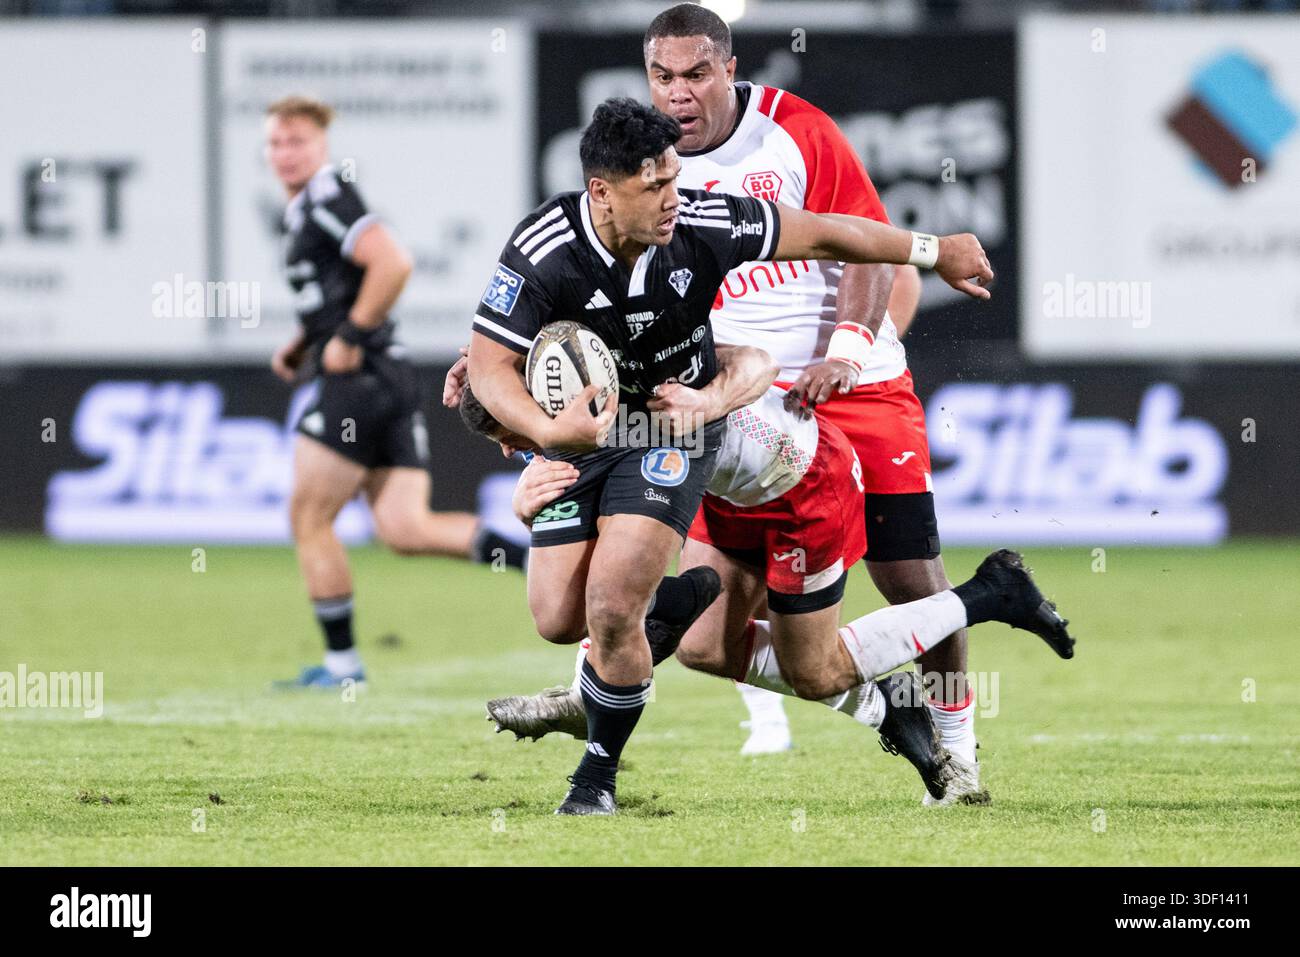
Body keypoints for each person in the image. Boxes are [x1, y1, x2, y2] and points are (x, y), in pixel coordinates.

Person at [467, 96, 993, 814]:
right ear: (601, 192)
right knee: (560, 617)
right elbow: (490, 363)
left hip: (681, 425)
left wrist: (934, 250)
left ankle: (595, 779)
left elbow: (831, 234)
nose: (672, 200)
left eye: (674, 179)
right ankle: (668, 619)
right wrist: (544, 430)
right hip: (589, 431)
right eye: (653, 187)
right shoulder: (542, 246)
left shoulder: (708, 222)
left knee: (615, 602)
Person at [639, 4, 983, 800]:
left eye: (696, 74)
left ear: (729, 68)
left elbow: (863, 242)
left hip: (852, 389)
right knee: (700, 637)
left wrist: (846, 352)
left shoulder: (794, 129)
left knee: (910, 580)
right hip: (741, 403)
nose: (680, 94)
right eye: (664, 77)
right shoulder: (647, 160)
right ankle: (877, 703)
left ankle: (960, 751)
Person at [463, 377, 1073, 806]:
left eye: (507, 432)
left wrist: (536, 516)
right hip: (729, 489)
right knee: (701, 646)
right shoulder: (591, 400)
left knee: (816, 672)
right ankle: (888, 704)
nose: (513, 448)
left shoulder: (610, 417)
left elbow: (596, 584)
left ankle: (991, 591)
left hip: (803, 484)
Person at [263, 95, 523, 689]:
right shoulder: (308, 206)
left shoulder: (328, 198)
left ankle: (342, 668)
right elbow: (340, 288)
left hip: (358, 382)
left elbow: (393, 262)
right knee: (407, 530)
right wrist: (306, 340)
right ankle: (532, 558)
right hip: (392, 379)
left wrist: (349, 337)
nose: (285, 154)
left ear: (322, 146)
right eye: (276, 143)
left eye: (297, 141)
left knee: (308, 516)